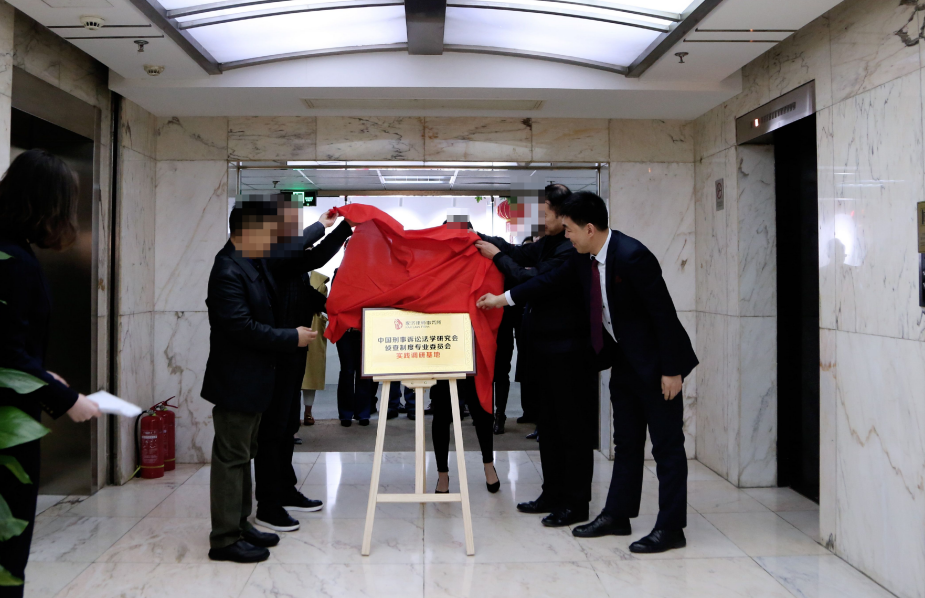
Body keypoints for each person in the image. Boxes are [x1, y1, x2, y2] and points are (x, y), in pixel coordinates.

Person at [478, 191, 698, 554]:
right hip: (625, 363)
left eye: (569, 230)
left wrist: (672, 370)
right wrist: (503, 299)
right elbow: (545, 283)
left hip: (658, 366)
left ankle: (672, 527)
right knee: (626, 443)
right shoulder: (584, 258)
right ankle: (617, 515)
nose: (566, 236)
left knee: (667, 448)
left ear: (590, 229)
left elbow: (663, 314)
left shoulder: (633, 255)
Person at [0, 149, 103, 597]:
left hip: (16, 409)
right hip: (7, 429)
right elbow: (5, 353)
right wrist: (66, 400)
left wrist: (44, 375)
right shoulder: (13, 260)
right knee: (8, 542)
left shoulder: (14, 250)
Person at [200, 202, 315, 563]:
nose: (273, 239)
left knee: (244, 454)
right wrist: (291, 337)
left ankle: (241, 524)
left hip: (256, 379)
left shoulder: (252, 262)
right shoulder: (227, 269)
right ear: (246, 230)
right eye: (268, 232)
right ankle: (224, 539)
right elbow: (241, 327)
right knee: (231, 458)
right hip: (236, 379)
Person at [476, 184, 596, 527]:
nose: (541, 221)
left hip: (569, 353)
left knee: (571, 430)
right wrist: (476, 236)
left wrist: (495, 258)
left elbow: (530, 279)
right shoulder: (548, 242)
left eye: (545, 214)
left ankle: (576, 504)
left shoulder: (572, 249)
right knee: (549, 427)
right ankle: (552, 494)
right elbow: (517, 252)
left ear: (563, 215)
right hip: (543, 350)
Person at [254, 201, 352, 532]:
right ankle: (268, 504)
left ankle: (285, 489)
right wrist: (329, 226)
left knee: (286, 427)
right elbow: (312, 255)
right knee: (273, 430)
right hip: (275, 353)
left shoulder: (290, 260)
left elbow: (308, 291)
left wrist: (340, 309)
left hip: (293, 352)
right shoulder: (270, 254)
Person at [431, 377, 499, 494]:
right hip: (444, 368)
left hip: (475, 367)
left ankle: (489, 465)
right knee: (441, 412)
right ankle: (442, 475)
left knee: (481, 410)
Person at [299, 270, 330, 429]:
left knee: (312, 372)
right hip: (292, 329)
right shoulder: (289, 274)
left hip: (314, 327)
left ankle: (308, 411)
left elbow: (323, 304)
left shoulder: (319, 279)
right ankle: (292, 416)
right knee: (293, 375)